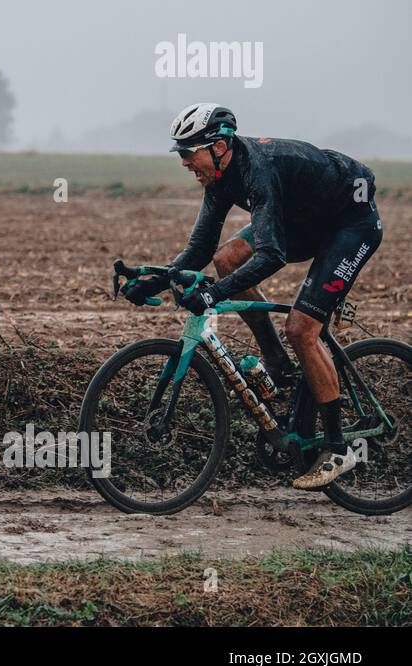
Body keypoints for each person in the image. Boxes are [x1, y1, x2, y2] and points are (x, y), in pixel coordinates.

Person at [125, 103, 383, 489]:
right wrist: (156, 279)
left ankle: (337, 448)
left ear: (219, 146)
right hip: (305, 220)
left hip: (349, 224)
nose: (183, 162)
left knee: (302, 328)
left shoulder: (258, 169)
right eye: (179, 152)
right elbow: (199, 251)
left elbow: (272, 255)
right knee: (225, 257)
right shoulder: (219, 178)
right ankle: (276, 360)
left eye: (187, 151)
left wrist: (213, 294)